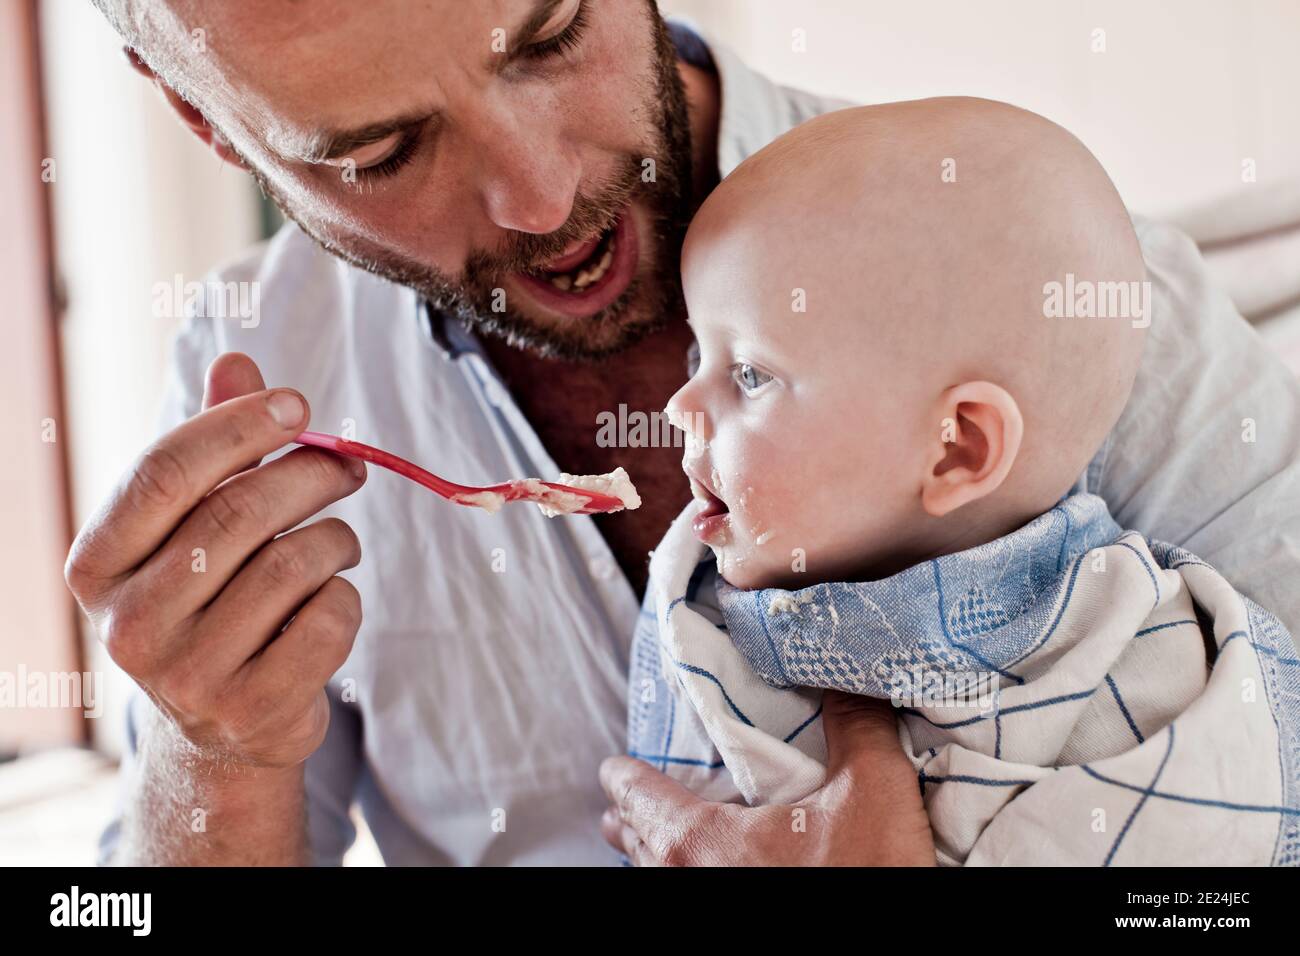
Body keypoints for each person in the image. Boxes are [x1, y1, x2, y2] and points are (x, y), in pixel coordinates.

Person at [68, 0, 1299, 865]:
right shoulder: (261, 375)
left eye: (549, 36)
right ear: (209, 123)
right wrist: (212, 756)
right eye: (381, 150)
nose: (543, 200)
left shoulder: (1058, 283)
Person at [630, 99, 1298, 865]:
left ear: (956, 449)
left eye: (748, 372)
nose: (681, 406)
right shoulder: (700, 599)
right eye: (699, 356)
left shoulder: (1150, 675)